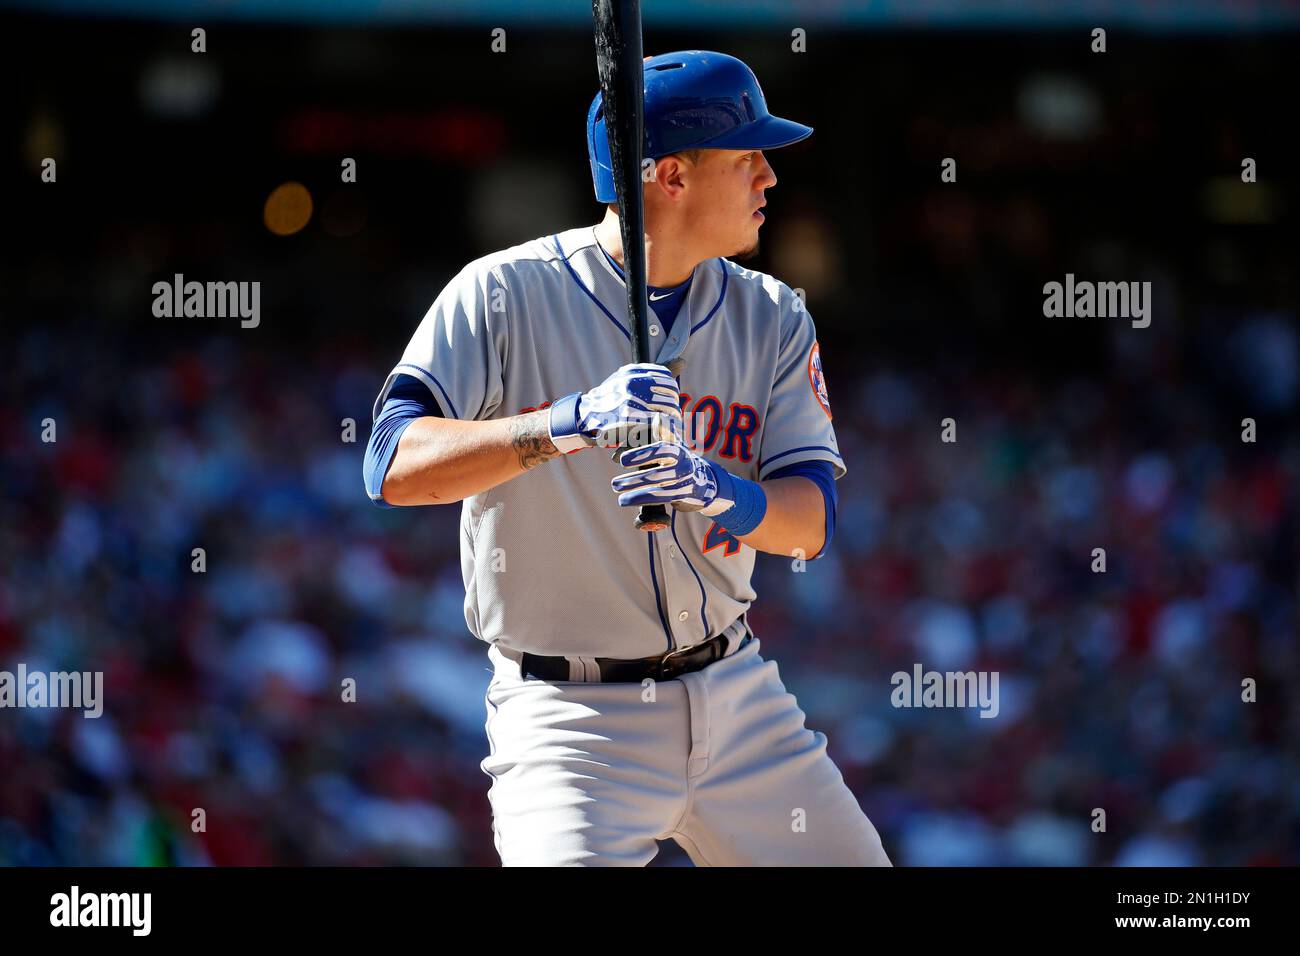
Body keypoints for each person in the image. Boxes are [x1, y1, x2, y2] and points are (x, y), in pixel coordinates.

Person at [363, 50, 891, 866]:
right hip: (571, 724)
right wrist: (564, 423)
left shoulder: (775, 316)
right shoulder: (503, 292)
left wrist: (720, 491)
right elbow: (392, 463)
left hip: (736, 694)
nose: (769, 178)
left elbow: (810, 526)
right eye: (748, 156)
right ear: (671, 175)